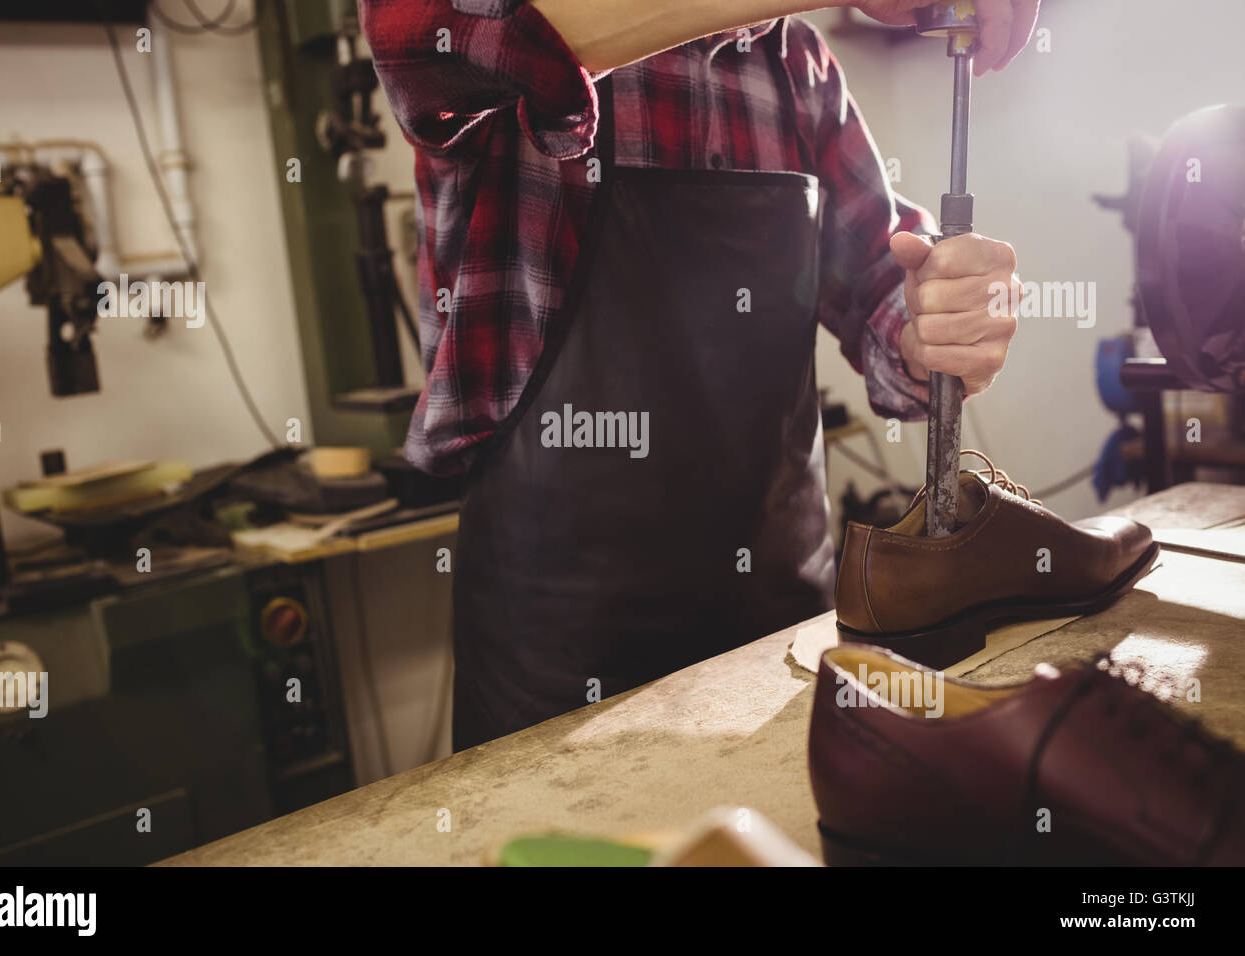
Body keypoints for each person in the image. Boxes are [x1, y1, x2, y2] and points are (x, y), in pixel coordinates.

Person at [360, 0, 1039, 749]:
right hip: (559, 646)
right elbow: (416, 27)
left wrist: (941, 324)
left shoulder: (795, 64)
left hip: (782, 618)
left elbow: (883, 289)